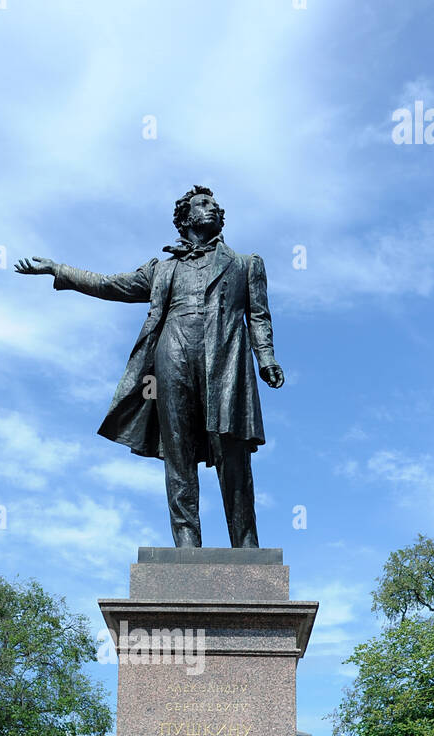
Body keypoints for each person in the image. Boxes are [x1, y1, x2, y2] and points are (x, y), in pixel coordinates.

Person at [15, 185, 284, 548]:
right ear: (186, 217)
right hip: (172, 354)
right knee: (178, 451)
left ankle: (246, 545)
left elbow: (258, 315)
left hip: (225, 358)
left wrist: (265, 356)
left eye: (215, 204)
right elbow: (112, 285)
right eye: (203, 204)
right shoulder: (162, 268)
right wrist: (58, 270)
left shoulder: (246, 264)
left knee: (230, 450)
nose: (214, 207)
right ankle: (187, 544)